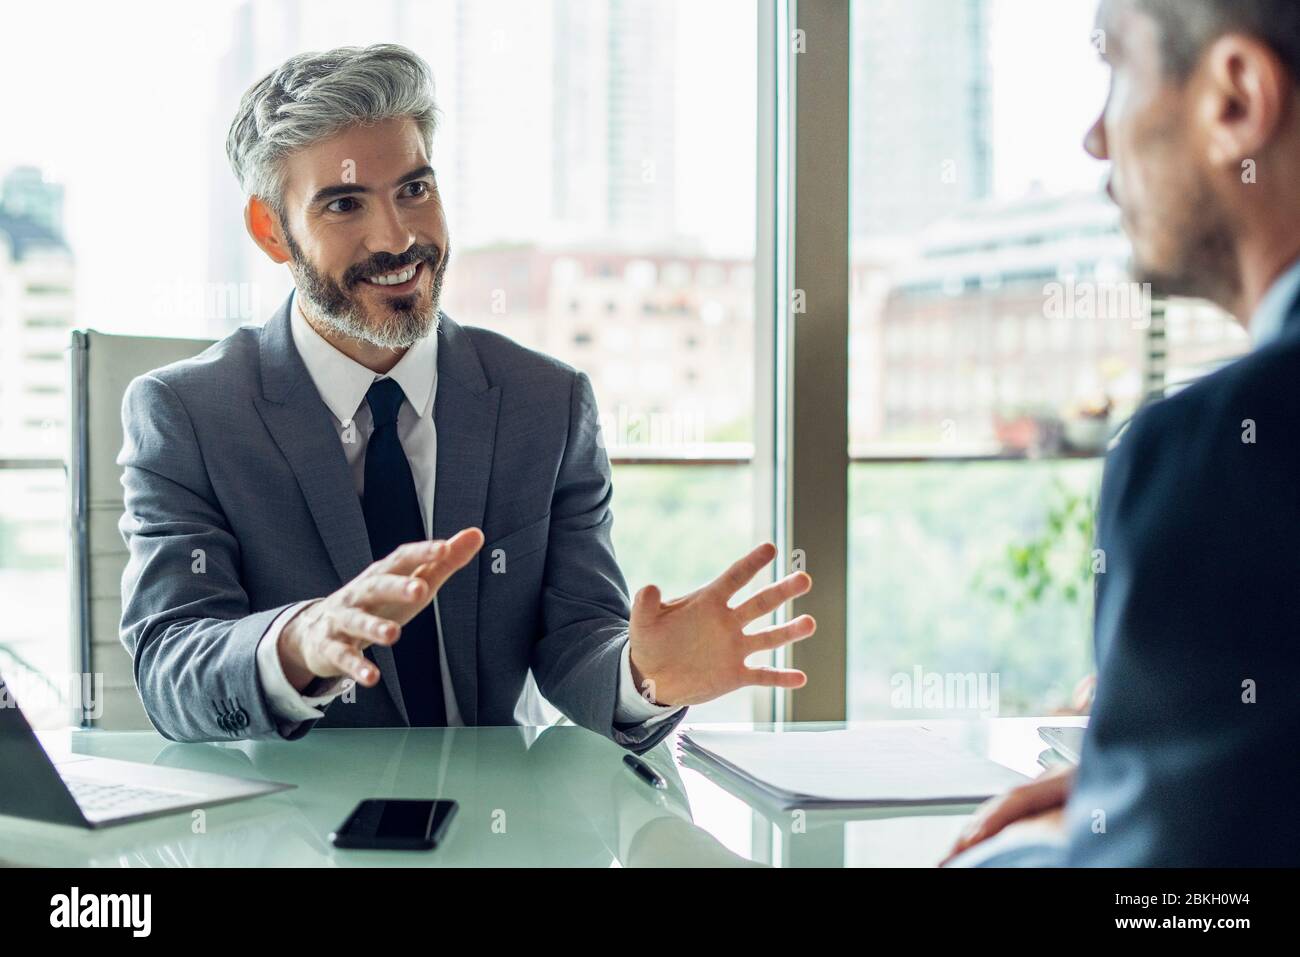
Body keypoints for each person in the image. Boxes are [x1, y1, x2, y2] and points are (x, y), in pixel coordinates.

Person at [118, 44, 816, 750]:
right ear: (272, 230)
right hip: (294, 836)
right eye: (344, 203)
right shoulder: (187, 417)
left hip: (500, 830)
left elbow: (576, 636)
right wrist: (300, 641)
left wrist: (644, 676)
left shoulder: (546, 402)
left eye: (415, 190)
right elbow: (171, 662)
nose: (397, 238)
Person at [946, 0, 1300, 866]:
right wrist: (1177, 787)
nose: (1096, 139)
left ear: (1236, 99)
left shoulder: (1218, 456)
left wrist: (1046, 845)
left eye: (1116, 64)